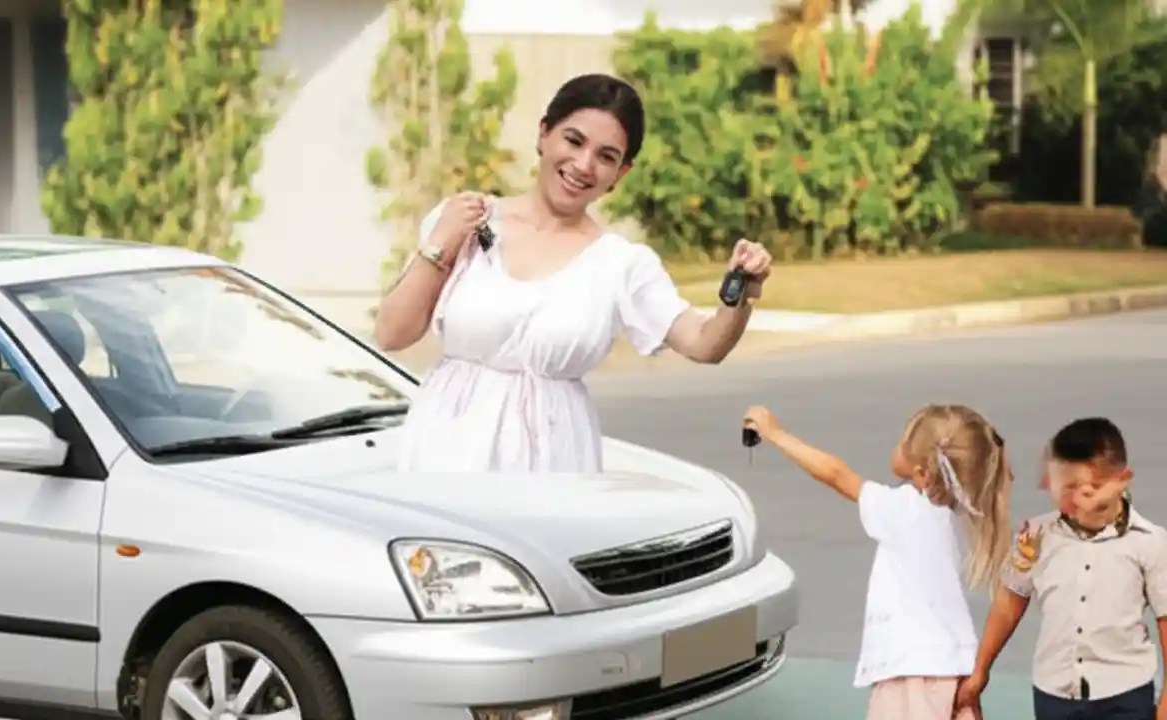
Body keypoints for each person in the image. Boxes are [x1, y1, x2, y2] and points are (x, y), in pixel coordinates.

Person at [373, 73, 773, 472]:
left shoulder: (622, 264)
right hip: (445, 450)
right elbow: (392, 334)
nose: (584, 165)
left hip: (553, 460)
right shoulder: (465, 220)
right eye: (574, 140)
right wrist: (443, 239)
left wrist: (742, 295)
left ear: (621, 173)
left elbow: (705, 344)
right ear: (544, 134)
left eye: (606, 156)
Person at [741, 403, 1013, 720]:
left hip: (913, 676)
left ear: (923, 474)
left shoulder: (904, 511)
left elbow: (836, 474)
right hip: (954, 672)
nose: (896, 446)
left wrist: (776, 434)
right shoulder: (964, 513)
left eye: (904, 443)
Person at [953, 417, 1167, 720]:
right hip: (1054, 694)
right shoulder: (1035, 536)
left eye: (1090, 488)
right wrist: (980, 671)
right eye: (1065, 487)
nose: (1076, 498)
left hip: (1125, 694)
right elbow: (1008, 604)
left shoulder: (1150, 542)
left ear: (1123, 479)